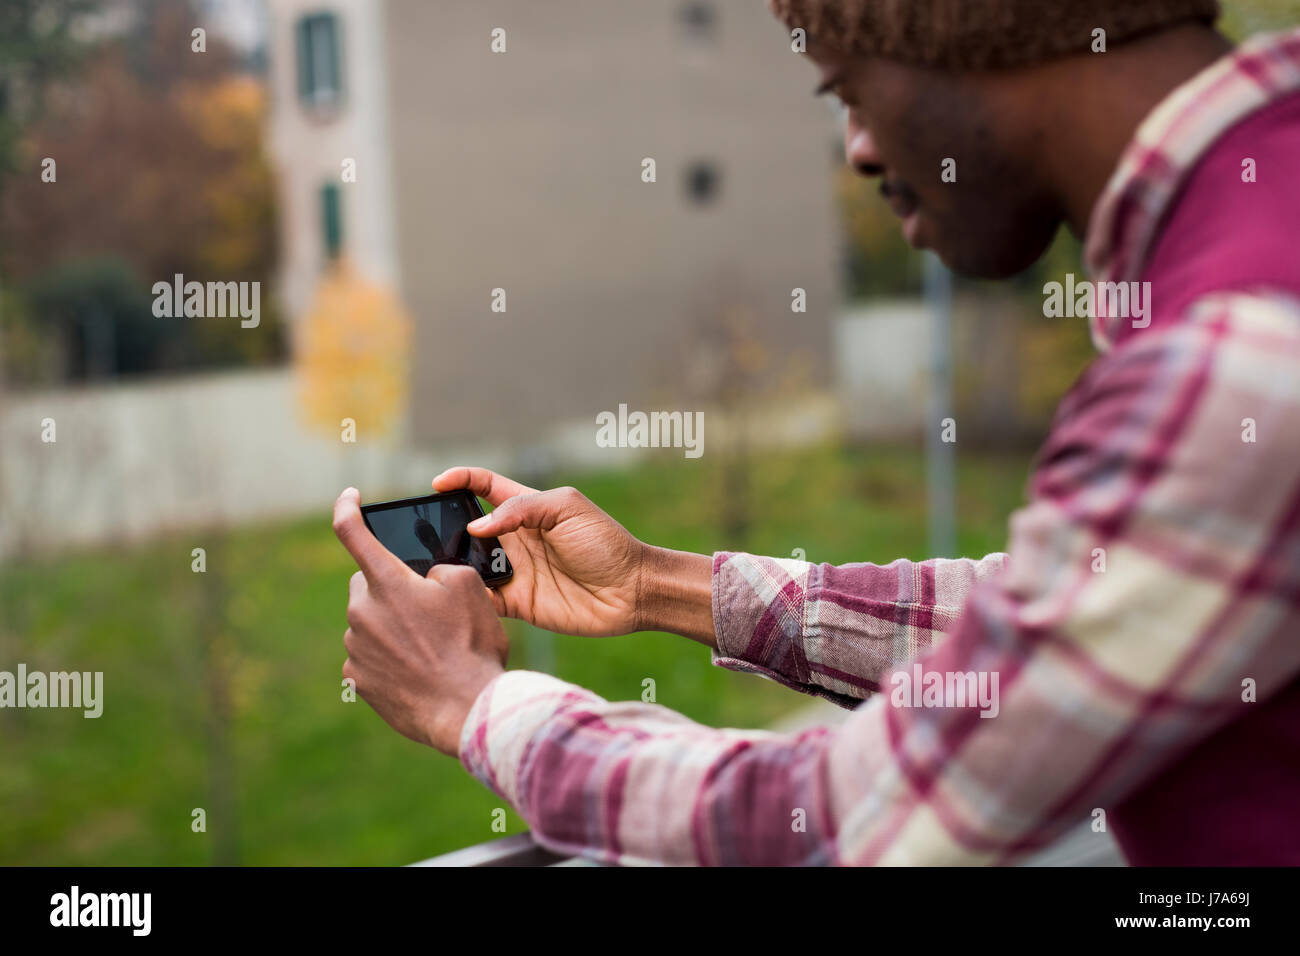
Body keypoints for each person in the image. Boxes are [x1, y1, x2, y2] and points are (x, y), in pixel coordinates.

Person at [330, 0, 1300, 865]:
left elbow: (843, 818)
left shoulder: (1235, 355)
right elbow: (1064, 619)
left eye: (847, 85)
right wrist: (656, 583)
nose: (859, 149)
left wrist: (473, 704)